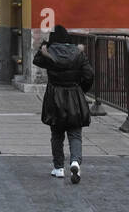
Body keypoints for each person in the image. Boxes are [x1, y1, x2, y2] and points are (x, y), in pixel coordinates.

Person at [32, 26, 94, 183]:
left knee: (57, 134)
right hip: (74, 96)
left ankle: (59, 167)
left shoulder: (49, 53)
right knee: (75, 134)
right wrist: (81, 90)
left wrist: (44, 46)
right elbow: (89, 74)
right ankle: (75, 162)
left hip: (55, 98)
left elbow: (36, 60)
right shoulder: (78, 54)